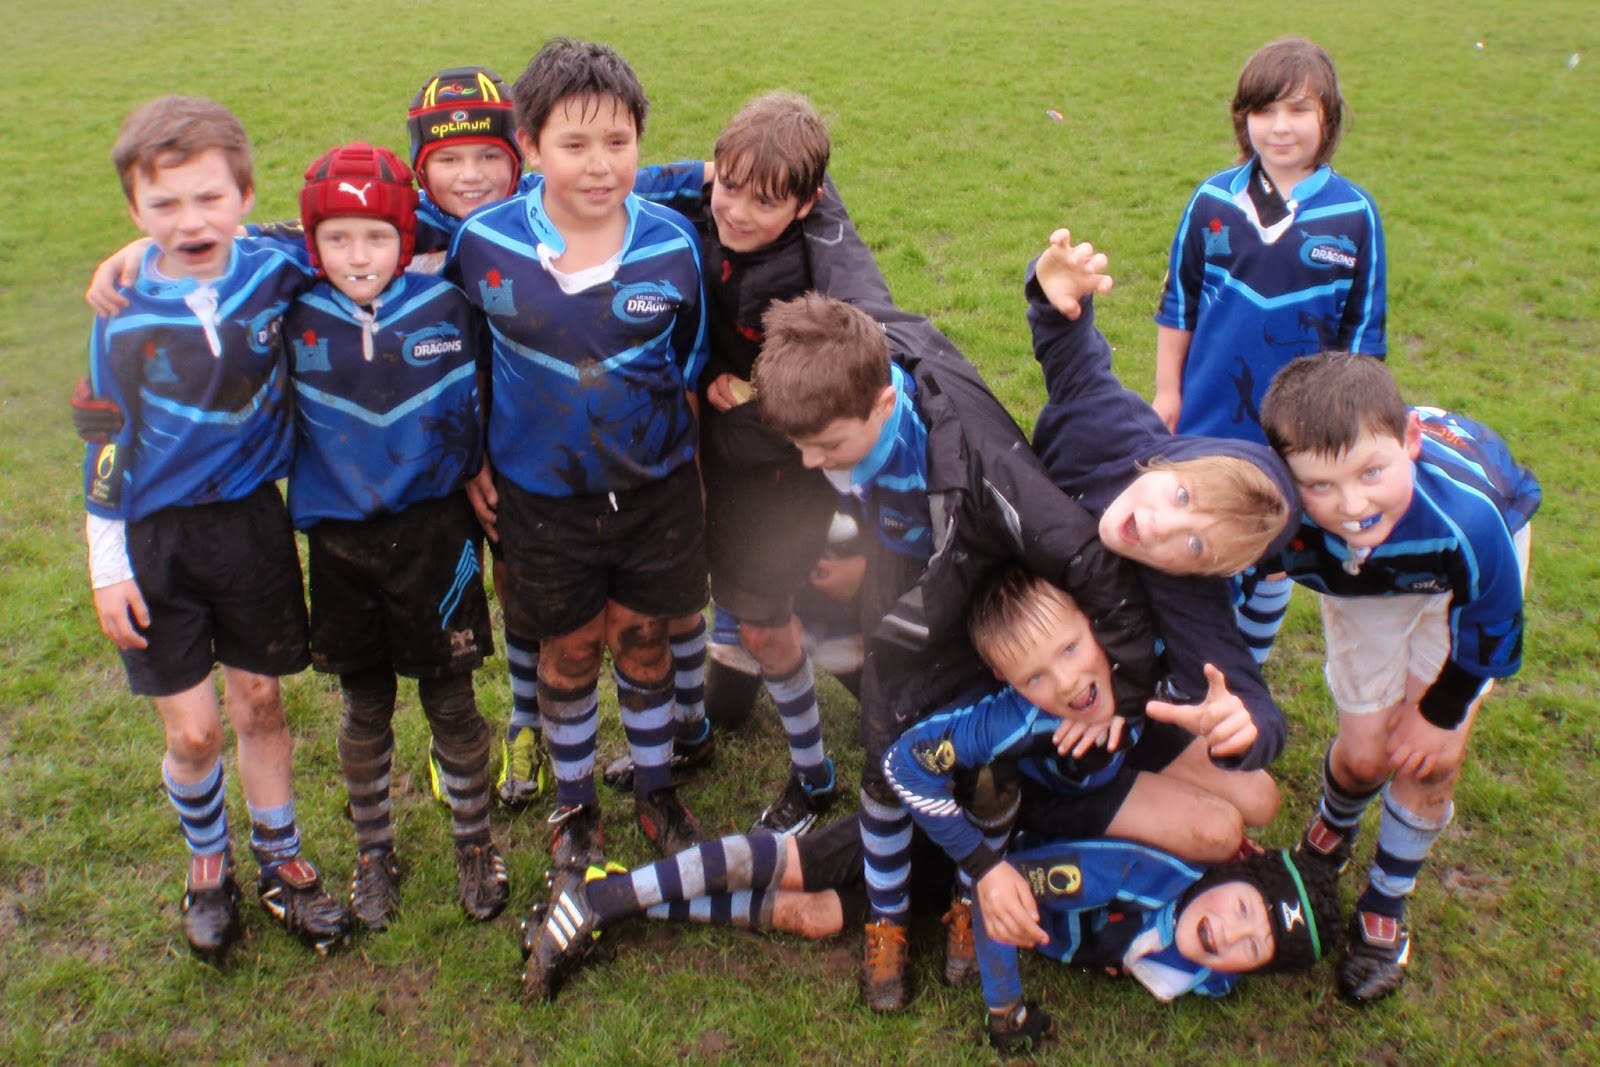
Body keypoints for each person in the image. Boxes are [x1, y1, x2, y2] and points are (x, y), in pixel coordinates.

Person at [752, 292, 1157, 1011]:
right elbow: (840, 249)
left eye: (829, 447)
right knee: (883, 753)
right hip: (902, 601)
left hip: (976, 617)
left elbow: (1088, 557)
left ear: (883, 404)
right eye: (802, 449)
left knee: (985, 764)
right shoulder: (870, 350)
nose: (815, 463)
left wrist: (1122, 694)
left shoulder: (981, 466)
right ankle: (888, 921)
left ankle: (971, 906)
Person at [80, 96, 349, 959]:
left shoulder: (274, 267)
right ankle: (207, 861)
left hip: (251, 526)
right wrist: (106, 562)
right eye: (162, 206)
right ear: (133, 211)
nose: (189, 221)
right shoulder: (121, 310)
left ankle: (281, 857)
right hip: (156, 539)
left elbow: (366, 228)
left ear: (243, 194)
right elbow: (102, 438)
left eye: (208, 198)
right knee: (193, 730)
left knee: (262, 701)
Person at [444, 39, 710, 880]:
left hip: (654, 490)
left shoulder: (673, 246)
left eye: (619, 142)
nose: (600, 166)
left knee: (643, 638)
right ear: (529, 146)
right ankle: (576, 806)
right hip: (540, 496)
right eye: (575, 144)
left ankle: (657, 788)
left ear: (640, 141)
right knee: (566, 650)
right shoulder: (482, 245)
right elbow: (467, 359)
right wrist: (474, 457)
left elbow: (693, 364)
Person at [519, 821, 1338, 1053]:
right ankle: (606, 898)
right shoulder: (1132, 873)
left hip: (945, 898)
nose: (1228, 933)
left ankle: (598, 895)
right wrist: (1005, 1008)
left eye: (1251, 945)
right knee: (797, 867)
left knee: (810, 919)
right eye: (1242, 908)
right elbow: (996, 903)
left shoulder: (1197, 970)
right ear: (1223, 879)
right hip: (961, 852)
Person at [1258, 352, 1539, 1001]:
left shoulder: (1469, 519)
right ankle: (1334, 827)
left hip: (1456, 586)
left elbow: (1494, 626)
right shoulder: (1278, 521)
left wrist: (1440, 710)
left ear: (1411, 441)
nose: (1353, 504)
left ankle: (1387, 898)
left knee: (1428, 758)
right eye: (1320, 485)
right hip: (1364, 584)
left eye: (1372, 471)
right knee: (1363, 757)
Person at [286, 142, 507, 929]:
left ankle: (475, 840)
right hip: (342, 545)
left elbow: (493, 383)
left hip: (436, 536)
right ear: (312, 244)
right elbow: (232, 250)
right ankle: (374, 848)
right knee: (365, 705)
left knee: (452, 699)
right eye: (337, 237)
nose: (357, 255)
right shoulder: (293, 310)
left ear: (408, 237)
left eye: (377, 236)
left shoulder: (451, 300)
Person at [1027, 228, 1300, 777]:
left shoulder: (1186, 590)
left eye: (1195, 544)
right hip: (1020, 617)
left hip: (1096, 680)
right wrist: (1055, 290)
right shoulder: (1111, 427)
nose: (1158, 526)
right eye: (1181, 495)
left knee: (1255, 800)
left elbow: (1254, 704)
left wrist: (1244, 728)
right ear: (1172, 460)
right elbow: (1072, 354)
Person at [1153, 36, 1387, 663]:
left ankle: (1247, 669)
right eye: (1264, 111)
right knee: (1207, 533)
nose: (1280, 128)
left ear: (1328, 119)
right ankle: (1187, 663)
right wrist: (1168, 392)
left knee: (1278, 549)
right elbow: (1179, 304)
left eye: (1299, 111)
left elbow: (1363, 341)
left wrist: (1353, 433)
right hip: (1209, 415)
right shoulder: (1212, 201)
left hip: (1300, 431)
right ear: (1243, 119)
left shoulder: (1355, 215)